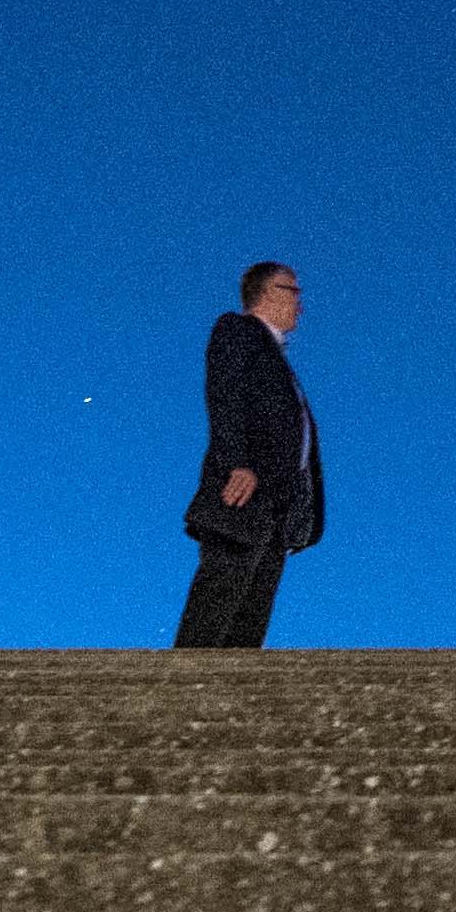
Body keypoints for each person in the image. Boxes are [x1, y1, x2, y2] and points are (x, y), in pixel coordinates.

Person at [172, 260, 321, 649]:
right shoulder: (237, 331)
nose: (301, 304)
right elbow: (225, 395)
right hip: (243, 497)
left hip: (276, 508)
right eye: (294, 292)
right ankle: (181, 690)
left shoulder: (277, 358)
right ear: (268, 293)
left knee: (250, 620)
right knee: (217, 604)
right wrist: (237, 461)